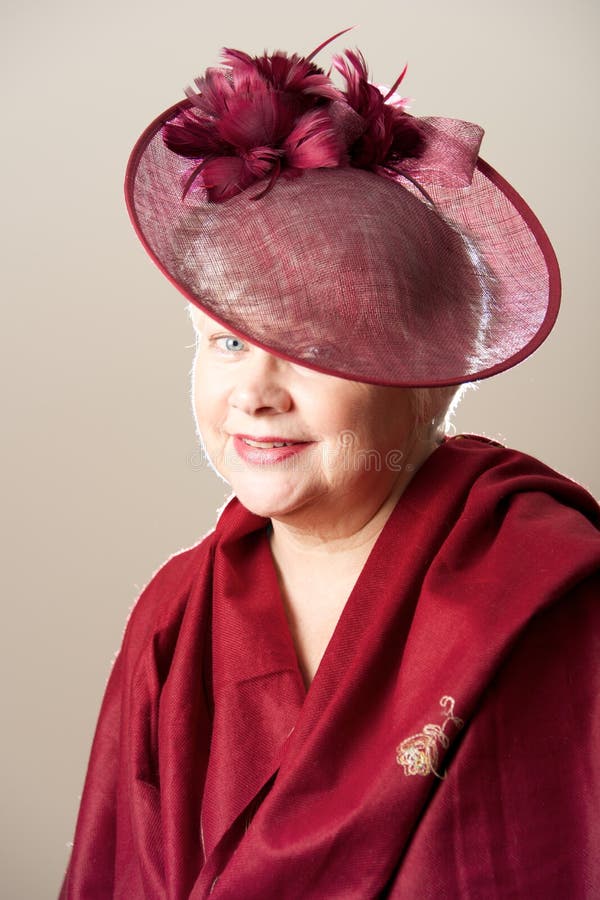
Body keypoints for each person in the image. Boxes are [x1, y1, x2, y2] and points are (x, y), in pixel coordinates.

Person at [60, 31, 600, 899]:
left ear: (426, 373)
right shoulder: (175, 616)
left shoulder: (541, 590)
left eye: (310, 346)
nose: (255, 393)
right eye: (226, 340)